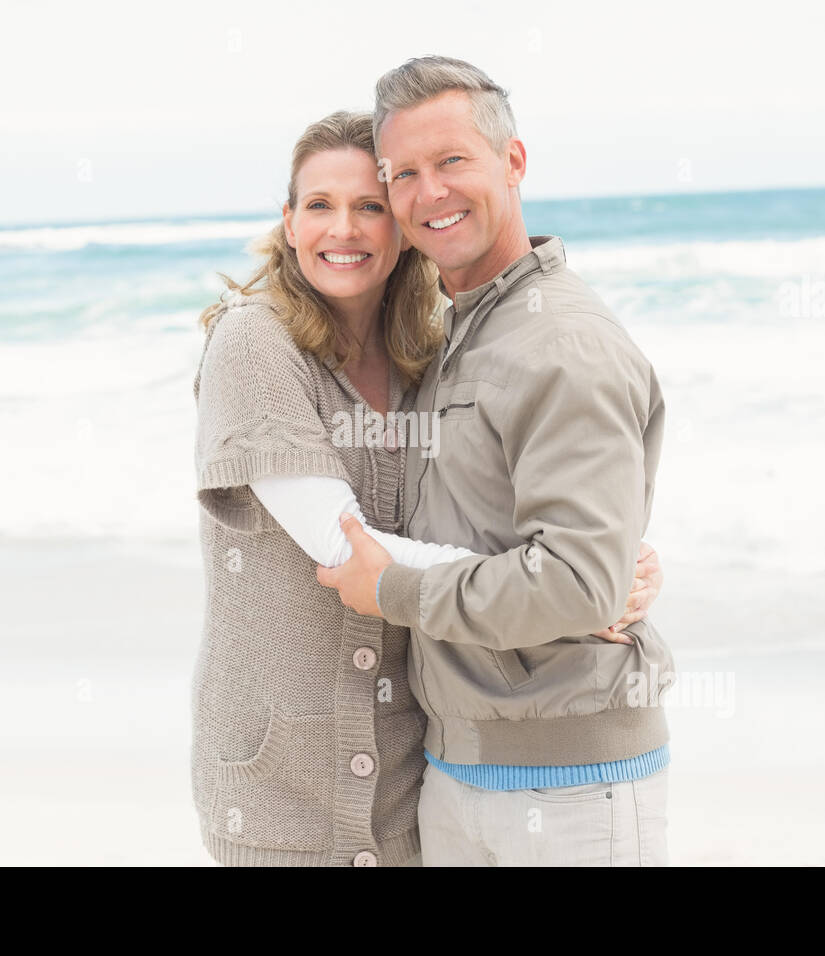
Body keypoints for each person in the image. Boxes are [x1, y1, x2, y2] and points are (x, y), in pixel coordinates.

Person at [191, 110, 663, 866]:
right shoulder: (255, 343)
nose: (343, 229)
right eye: (319, 206)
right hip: (286, 794)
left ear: (402, 227)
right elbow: (347, 547)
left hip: (416, 783)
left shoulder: (430, 355)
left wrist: (606, 566)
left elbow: (496, 514)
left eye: (369, 206)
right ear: (287, 222)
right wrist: (567, 593)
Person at [317, 57, 677, 866]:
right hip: (465, 772)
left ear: (512, 163)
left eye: (451, 161)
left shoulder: (561, 343)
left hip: (572, 789)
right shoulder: (460, 330)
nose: (428, 193)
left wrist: (393, 592)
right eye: (402, 173)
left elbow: (578, 582)